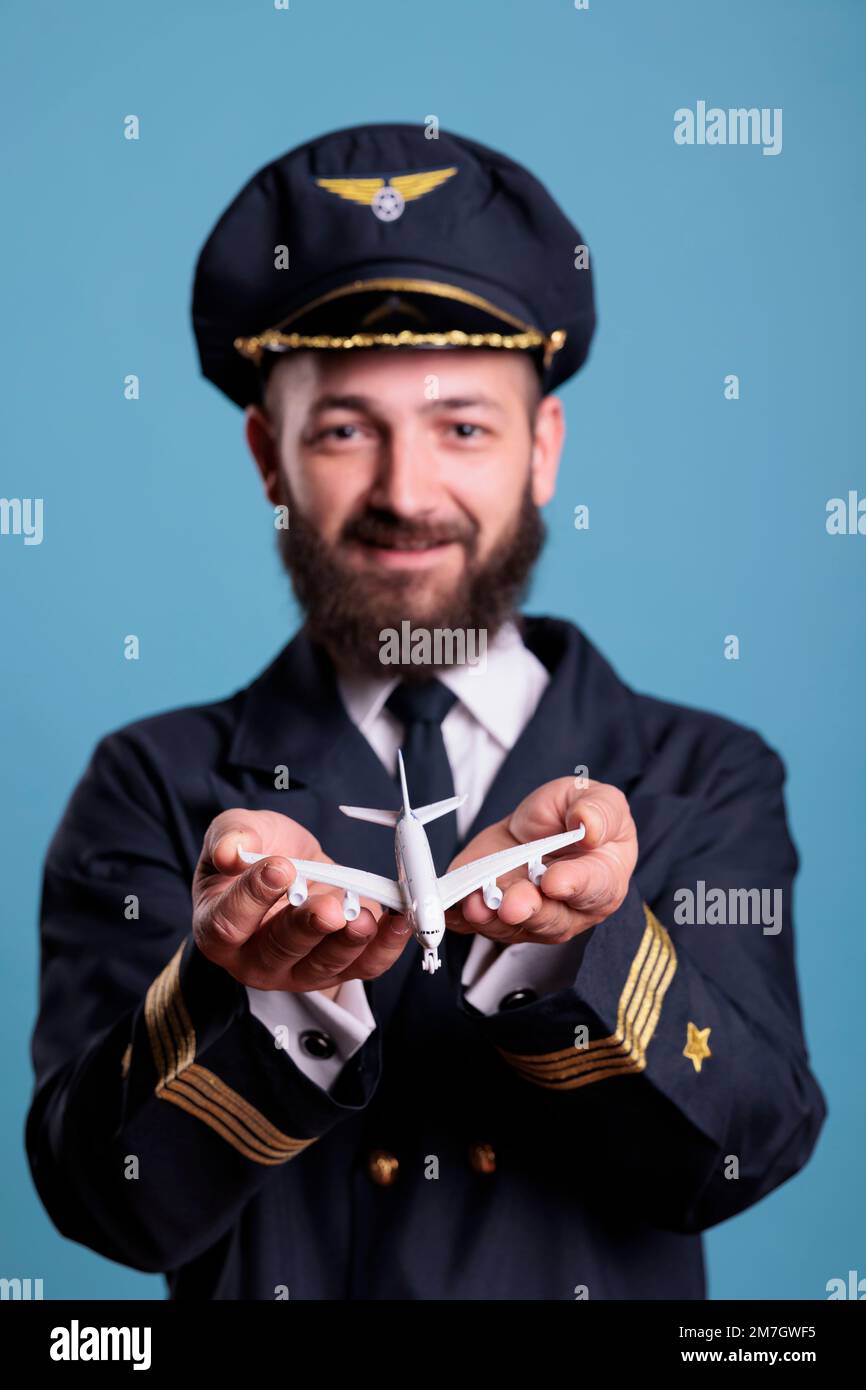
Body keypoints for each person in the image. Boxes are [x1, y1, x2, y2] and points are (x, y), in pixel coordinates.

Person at [26, 123, 826, 1300]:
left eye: (463, 426)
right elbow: (103, 1199)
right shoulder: (150, 781)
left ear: (541, 449)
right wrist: (247, 982)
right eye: (345, 429)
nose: (405, 494)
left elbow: (745, 1147)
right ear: (266, 456)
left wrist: (574, 949)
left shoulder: (701, 774)